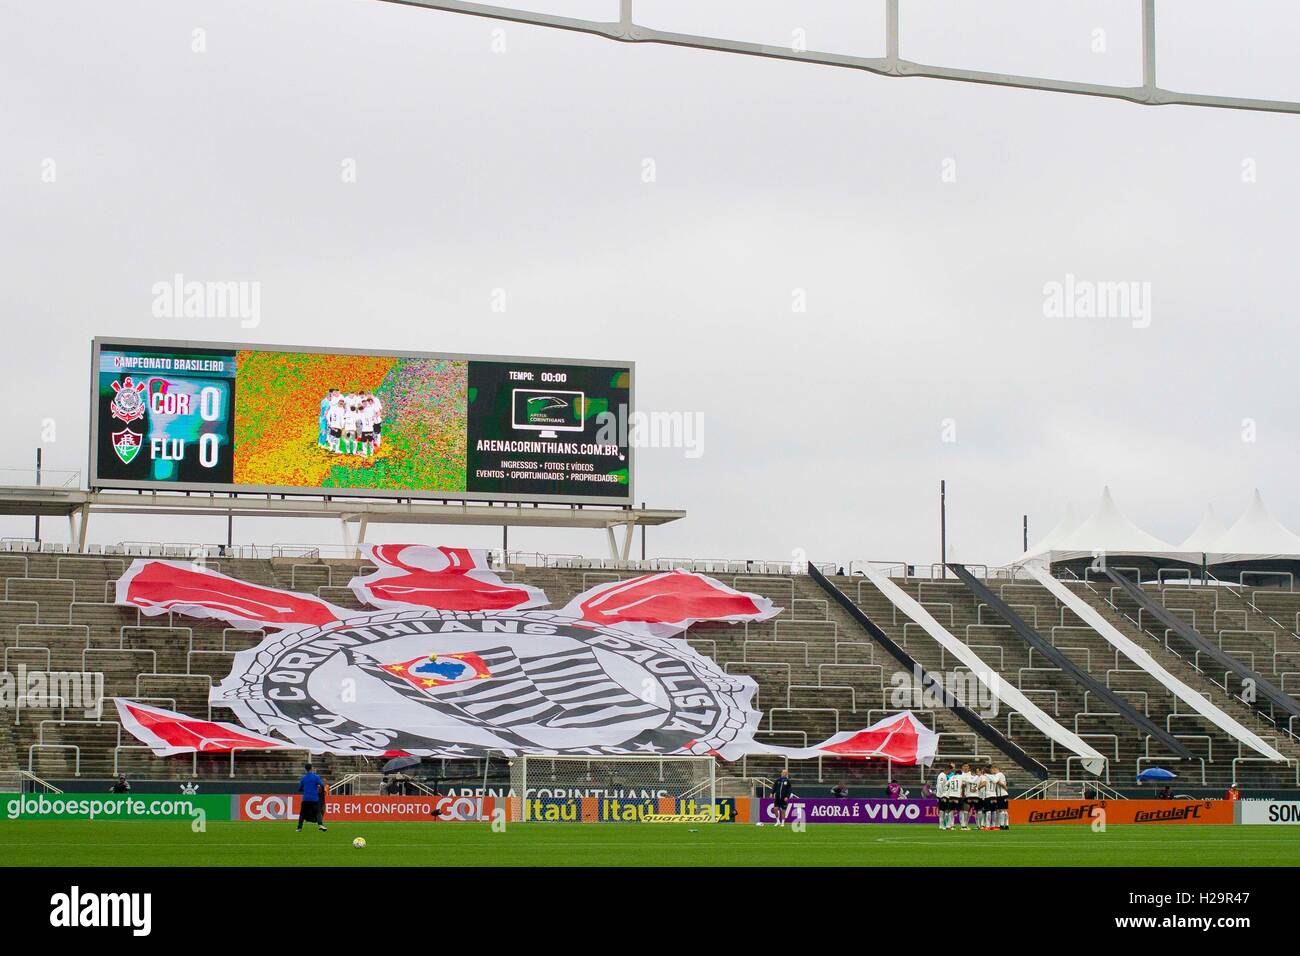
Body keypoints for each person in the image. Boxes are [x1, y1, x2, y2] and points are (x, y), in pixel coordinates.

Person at [296, 763, 328, 832]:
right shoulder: (316, 777)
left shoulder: (303, 778)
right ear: (311, 768)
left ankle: (299, 828)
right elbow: (322, 785)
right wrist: (317, 789)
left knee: (302, 813)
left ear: (306, 769)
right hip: (314, 798)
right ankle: (320, 825)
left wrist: (306, 789)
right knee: (318, 812)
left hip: (305, 799)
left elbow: (299, 789)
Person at [988, 764, 1009, 830]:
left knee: (1002, 810)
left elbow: (995, 781)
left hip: (1001, 794)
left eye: (991, 769)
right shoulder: (1001, 774)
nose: (990, 771)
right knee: (1004, 810)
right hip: (1004, 794)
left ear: (995, 768)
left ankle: (1002, 825)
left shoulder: (999, 774)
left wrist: (987, 775)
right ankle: (1006, 825)